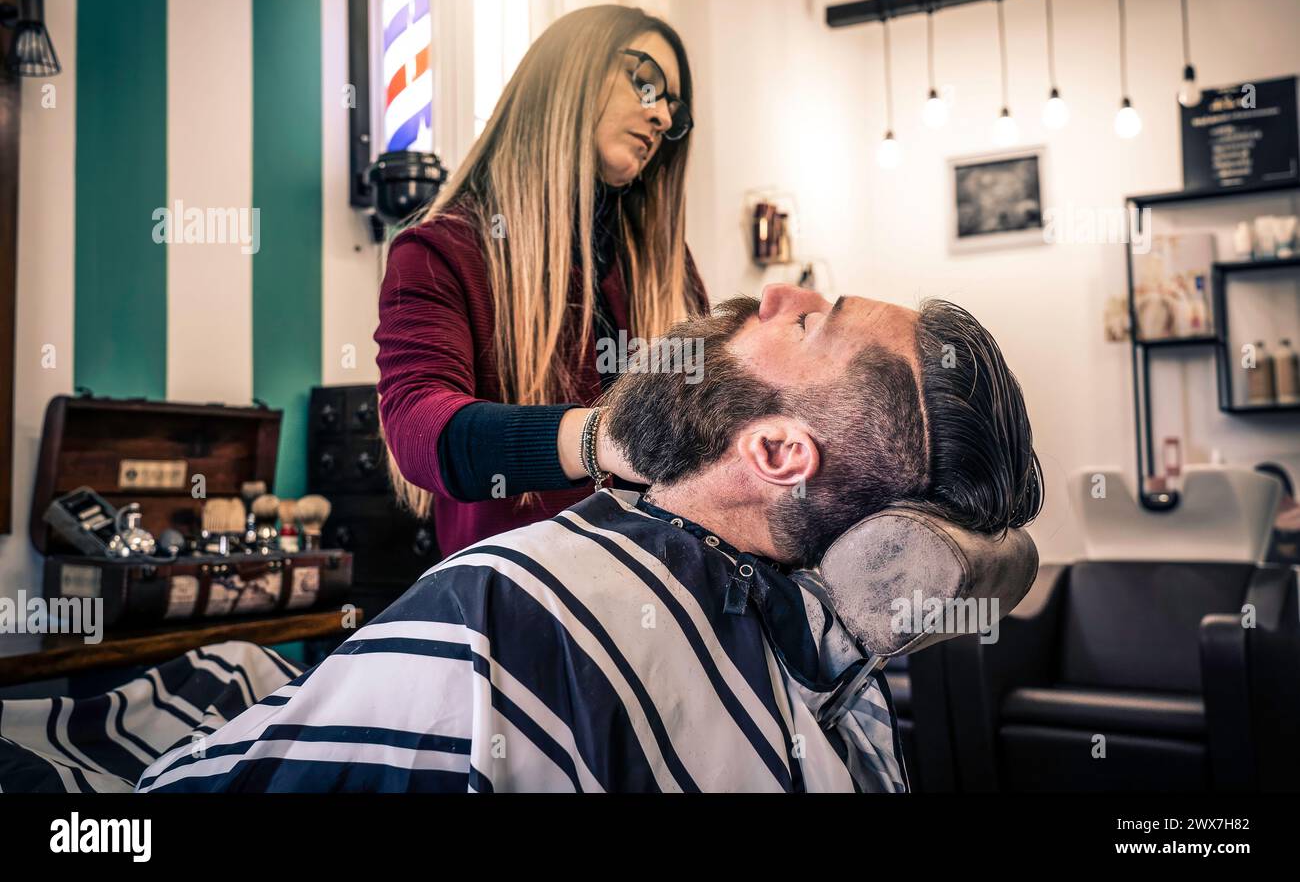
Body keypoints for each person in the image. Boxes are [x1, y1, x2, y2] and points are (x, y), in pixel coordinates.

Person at [136, 284, 1042, 793]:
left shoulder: (509, 610)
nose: (777, 290)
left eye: (807, 322)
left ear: (774, 450)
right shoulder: (828, 667)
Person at [374, 4, 707, 558]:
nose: (664, 120)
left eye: (674, 107)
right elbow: (418, 428)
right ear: (569, 73)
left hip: (664, 601)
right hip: (521, 611)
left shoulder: (667, 269)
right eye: (646, 84)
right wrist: (602, 440)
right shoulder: (440, 253)